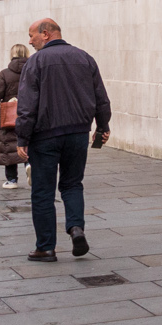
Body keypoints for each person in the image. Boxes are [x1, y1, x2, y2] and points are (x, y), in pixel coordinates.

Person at [13, 18, 110, 261]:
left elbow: (27, 105)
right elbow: (101, 97)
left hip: (45, 136)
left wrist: (22, 137)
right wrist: (102, 126)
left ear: (45, 34)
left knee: (43, 191)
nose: (30, 41)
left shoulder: (36, 61)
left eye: (32, 35)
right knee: (72, 184)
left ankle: (46, 247)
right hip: (78, 134)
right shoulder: (84, 58)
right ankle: (76, 228)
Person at [0, 43, 28, 187]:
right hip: (28, 112)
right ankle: (29, 164)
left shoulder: (5, 73)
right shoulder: (32, 70)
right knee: (29, 140)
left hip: (9, 114)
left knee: (8, 144)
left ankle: (12, 180)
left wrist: (9, 98)